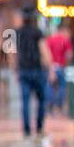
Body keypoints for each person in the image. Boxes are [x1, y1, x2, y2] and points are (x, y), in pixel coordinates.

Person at [15, 7, 52, 137]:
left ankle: (26, 130)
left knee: (25, 101)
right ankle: (39, 127)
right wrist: (50, 69)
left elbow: (9, 53)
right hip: (37, 70)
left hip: (23, 70)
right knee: (41, 100)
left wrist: (14, 69)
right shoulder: (38, 32)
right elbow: (44, 51)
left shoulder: (15, 32)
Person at [46, 20, 72, 113]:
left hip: (51, 66)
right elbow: (69, 54)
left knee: (50, 86)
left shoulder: (49, 39)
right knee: (62, 86)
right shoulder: (65, 40)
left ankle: (50, 104)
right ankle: (59, 104)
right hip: (61, 66)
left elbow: (46, 53)